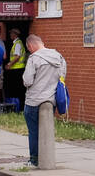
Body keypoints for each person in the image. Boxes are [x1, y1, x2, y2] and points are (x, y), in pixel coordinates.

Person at [22, 34, 66, 168]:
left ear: (30, 46)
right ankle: (47, 157)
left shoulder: (33, 59)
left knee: (34, 131)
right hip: (50, 101)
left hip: (33, 100)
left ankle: (34, 159)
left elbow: (27, 81)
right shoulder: (59, 57)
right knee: (46, 130)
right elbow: (62, 77)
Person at [4, 28, 27, 106]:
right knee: (18, 88)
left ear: (15, 35)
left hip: (17, 69)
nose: (10, 35)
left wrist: (9, 64)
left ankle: (18, 106)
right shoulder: (17, 43)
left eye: (11, 34)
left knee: (17, 89)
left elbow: (17, 57)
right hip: (18, 68)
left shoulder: (17, 44)